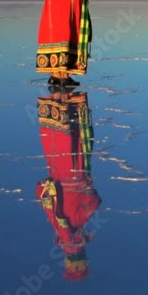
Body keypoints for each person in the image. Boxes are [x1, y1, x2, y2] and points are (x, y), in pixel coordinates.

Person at [35, 89, 101, 282]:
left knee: (70, 145)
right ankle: (60, 99)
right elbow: (51, 208)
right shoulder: (66, 230)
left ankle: (66, 99)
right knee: (59, 144)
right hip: (60, 179)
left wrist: (88, 192)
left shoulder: (72, 231)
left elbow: (94, 202)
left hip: (72, 178)